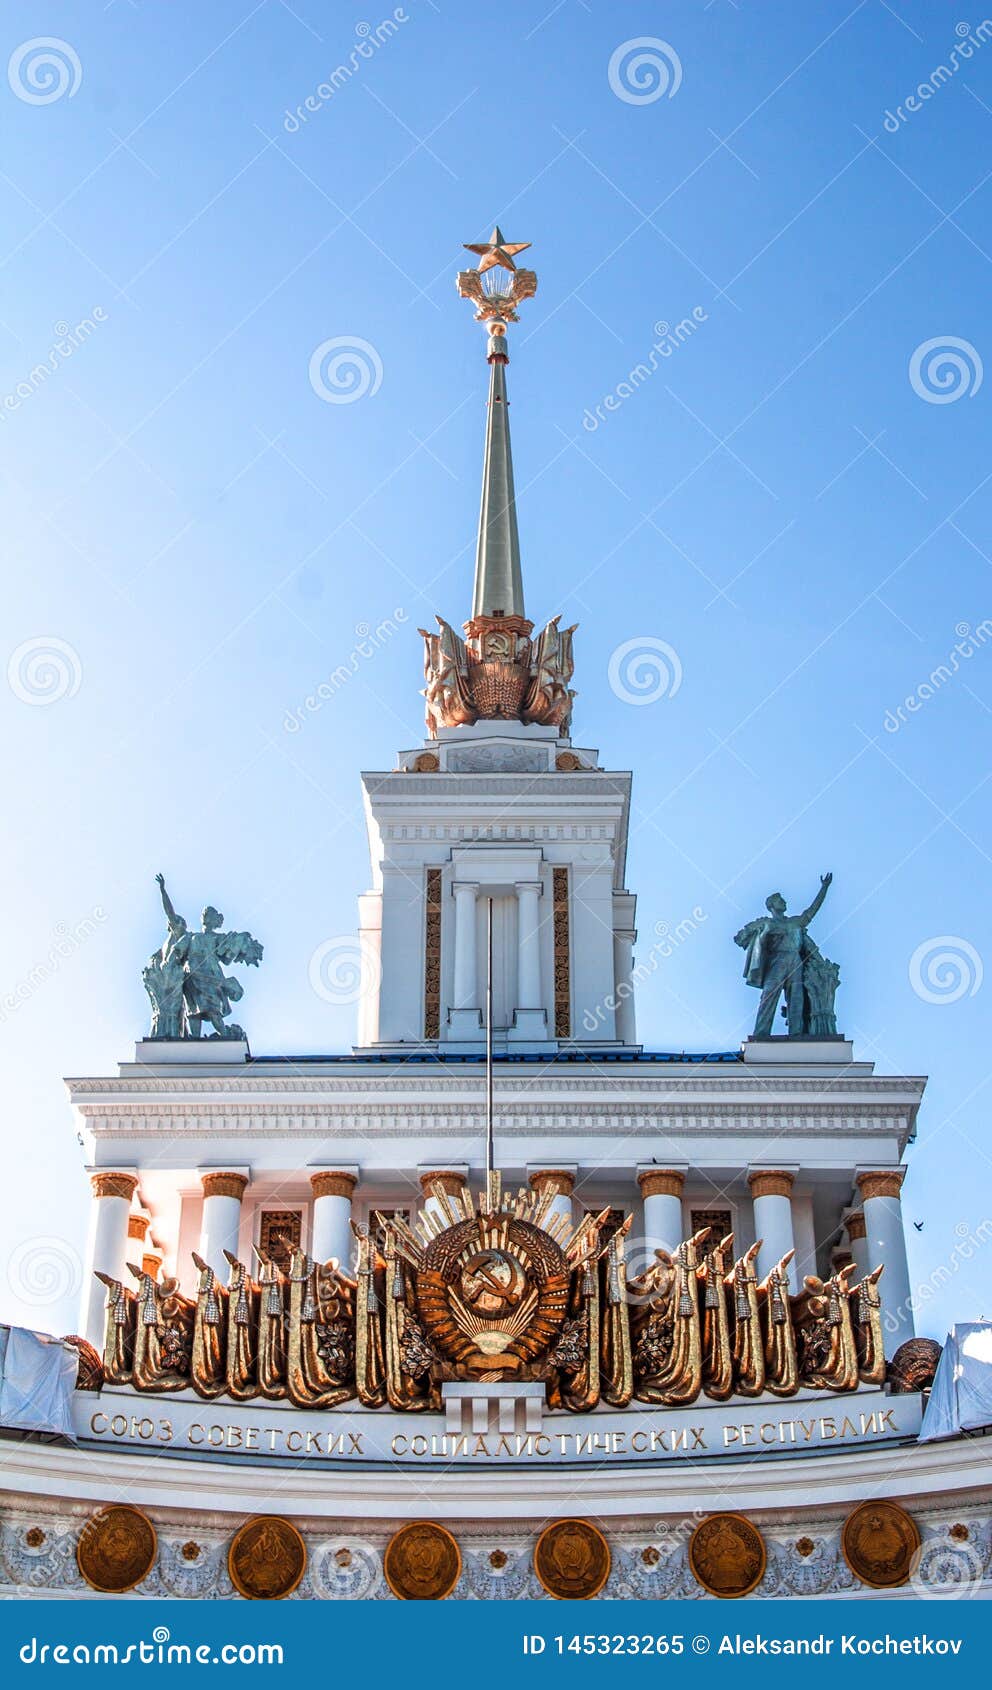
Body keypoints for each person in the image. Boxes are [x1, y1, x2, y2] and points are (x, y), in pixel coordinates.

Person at [734, 873, 832, 1037]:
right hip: (777, 961)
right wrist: (763, 934)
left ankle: (796, 1034)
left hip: (795, 960)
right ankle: (761, 1034)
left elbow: (811, 911)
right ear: (772, 905)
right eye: (780, 900)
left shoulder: (793, 922)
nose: (784, 902)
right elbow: (740, 939)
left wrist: (824, 887)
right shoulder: (767, 923)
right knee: (769, 995)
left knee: (797, 1000)